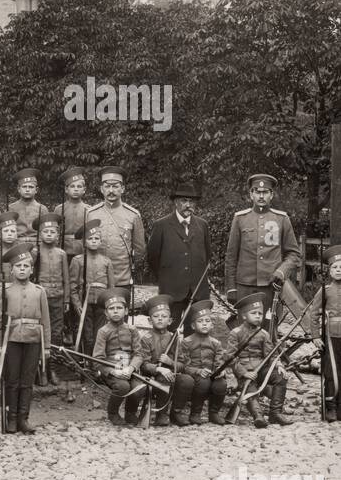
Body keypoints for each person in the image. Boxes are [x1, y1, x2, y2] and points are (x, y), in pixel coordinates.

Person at [0, 241, 51, 434]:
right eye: (18, 266)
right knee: (12, 380)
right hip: (13, 340)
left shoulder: (39, 291)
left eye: (26, 266)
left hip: (34, 340)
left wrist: (47, 346)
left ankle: (24, 419)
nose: (22, 269)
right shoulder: (5, 291)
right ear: (11, 270)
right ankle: (12, 418)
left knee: (27, 382)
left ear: (32, 270)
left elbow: (45, 320)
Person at [224, 173, 300, 318]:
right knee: (244, 331)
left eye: (265, 192)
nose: (261, 196)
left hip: (271, 287)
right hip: (244, 286)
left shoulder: (282, 219)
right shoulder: (240, 219)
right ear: (251, 194)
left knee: (269, 331)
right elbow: (231, 256)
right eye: (257, 192)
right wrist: (231, 288)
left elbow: (294, 254)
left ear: (272, 195)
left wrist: (282, 272)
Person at [146, 180, 213, 330]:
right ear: (175, 202)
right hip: (171, 290)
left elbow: (207, 256)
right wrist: (168, 277)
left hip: (197, 291)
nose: (188, 205)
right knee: (169, 332)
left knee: (195, 335)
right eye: (184, 200)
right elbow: (152, 258)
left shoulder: (202, 225)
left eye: (191, 201)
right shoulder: (161, 225)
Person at [222, 291, 292, 428]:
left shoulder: (264, 334)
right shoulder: (235, 333)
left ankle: (275, 413)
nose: (258, 316)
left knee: (280, 378)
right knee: (249, 387)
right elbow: (230, 357)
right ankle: (258, 416)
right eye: (254, 313)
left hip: (261, 369)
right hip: (245, 370)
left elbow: (270, 354)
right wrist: (243, 373)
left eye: (260, 314)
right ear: (244, 316)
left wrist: (279, 365)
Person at [86, 167, 145, 311]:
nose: (111, 190)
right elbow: (85, 245)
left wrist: (132, 270)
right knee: (97, 321)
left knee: (119, 318)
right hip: (96, 277)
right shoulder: (91, 214)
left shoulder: (133, 215)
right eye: (107, 186)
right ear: (101, 189)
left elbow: (139, 249)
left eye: (115, 186)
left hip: (121, 277)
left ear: (122, 188)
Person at [92, 288, 145, 428]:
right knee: (122, 386)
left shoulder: (132, 330)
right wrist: (113, 372)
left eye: (119, 308)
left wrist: (132, 368)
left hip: (129, 370)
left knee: (139, 387)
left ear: (126, 311)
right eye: (111, 308)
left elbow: (139, 354)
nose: (115, 311)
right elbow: (97, 359)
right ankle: (113, 413)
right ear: (106, 313)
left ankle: (130, 412)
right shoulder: (103, 332)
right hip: (111, 371)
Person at [176, 298, 227, 426]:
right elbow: (184, 365)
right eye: (200, 321)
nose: (204, 324)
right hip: (194, 374)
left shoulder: (216, 343)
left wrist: (220, 371)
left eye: (207, 321)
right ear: (193, 326)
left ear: (212, 324)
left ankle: (214, 413)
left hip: (212, 374)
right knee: (203, 383)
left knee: (221, 384)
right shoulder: (187, 342)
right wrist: (198, 371)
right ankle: (195, 413)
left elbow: (219, 361)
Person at [138, 293, 185, 428]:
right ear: (149, 321)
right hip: (151, 376)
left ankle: (176, 413)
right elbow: (144, 364)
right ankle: (161, 414)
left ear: (170, 321)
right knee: (164, 379)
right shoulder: (145, 339)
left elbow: (182, 364)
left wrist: (170, 362)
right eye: (156, 316)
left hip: (170, 373)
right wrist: (158, 368)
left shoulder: (173, 338)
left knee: (187, 381)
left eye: (164, 317)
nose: (160, 319)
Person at [34, 213, 70, 387]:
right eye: (45, 231)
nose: (49, 234)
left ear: (58, 235)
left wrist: (67, 299)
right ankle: (39, 368)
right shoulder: (35, 252)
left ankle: (52, 368)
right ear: (40, 234)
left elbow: (66, 278)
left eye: (52, 232)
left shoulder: (61, 253)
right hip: (40, 297)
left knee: (55, 334)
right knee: (39, 331)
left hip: (57, 296)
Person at [69, 218, 114, 354]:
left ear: (101, 241)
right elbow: (73, 286)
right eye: (90, 239)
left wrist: (109, 304)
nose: (94, 241)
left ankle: (98, 362)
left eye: (96, 238)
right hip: (85, 302)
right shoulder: (77, 260)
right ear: (84, 242)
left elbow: (111, 287)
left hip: (101, 302)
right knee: (87, 334)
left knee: (100, 332)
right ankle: (86, 361)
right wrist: (77, 304)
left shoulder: (106, 261)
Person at [307, 244, 341, 421]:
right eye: (335, 267)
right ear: (329, 271)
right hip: (331, 337)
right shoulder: (325, 290)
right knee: (331, 371)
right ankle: (331, 408)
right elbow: (314, 314)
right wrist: (315, 336)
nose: (339, 270)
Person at [7, 167, 48, 253]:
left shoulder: (42, 208)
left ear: (36, 190)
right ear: (19, 189)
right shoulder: (11, 208)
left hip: (37, 246)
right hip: (17, 245)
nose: (27, 189)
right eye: (24, 187)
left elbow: (46, 231)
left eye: (30, 187)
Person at [52, 167, 89, 261]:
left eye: (79, 186)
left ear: (84, 190)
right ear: (66, 189)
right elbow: (55, 231)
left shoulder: (89, 210)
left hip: (82, 249)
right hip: (63, 249)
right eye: (72, 186)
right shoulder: (59, 209)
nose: (76, 189)